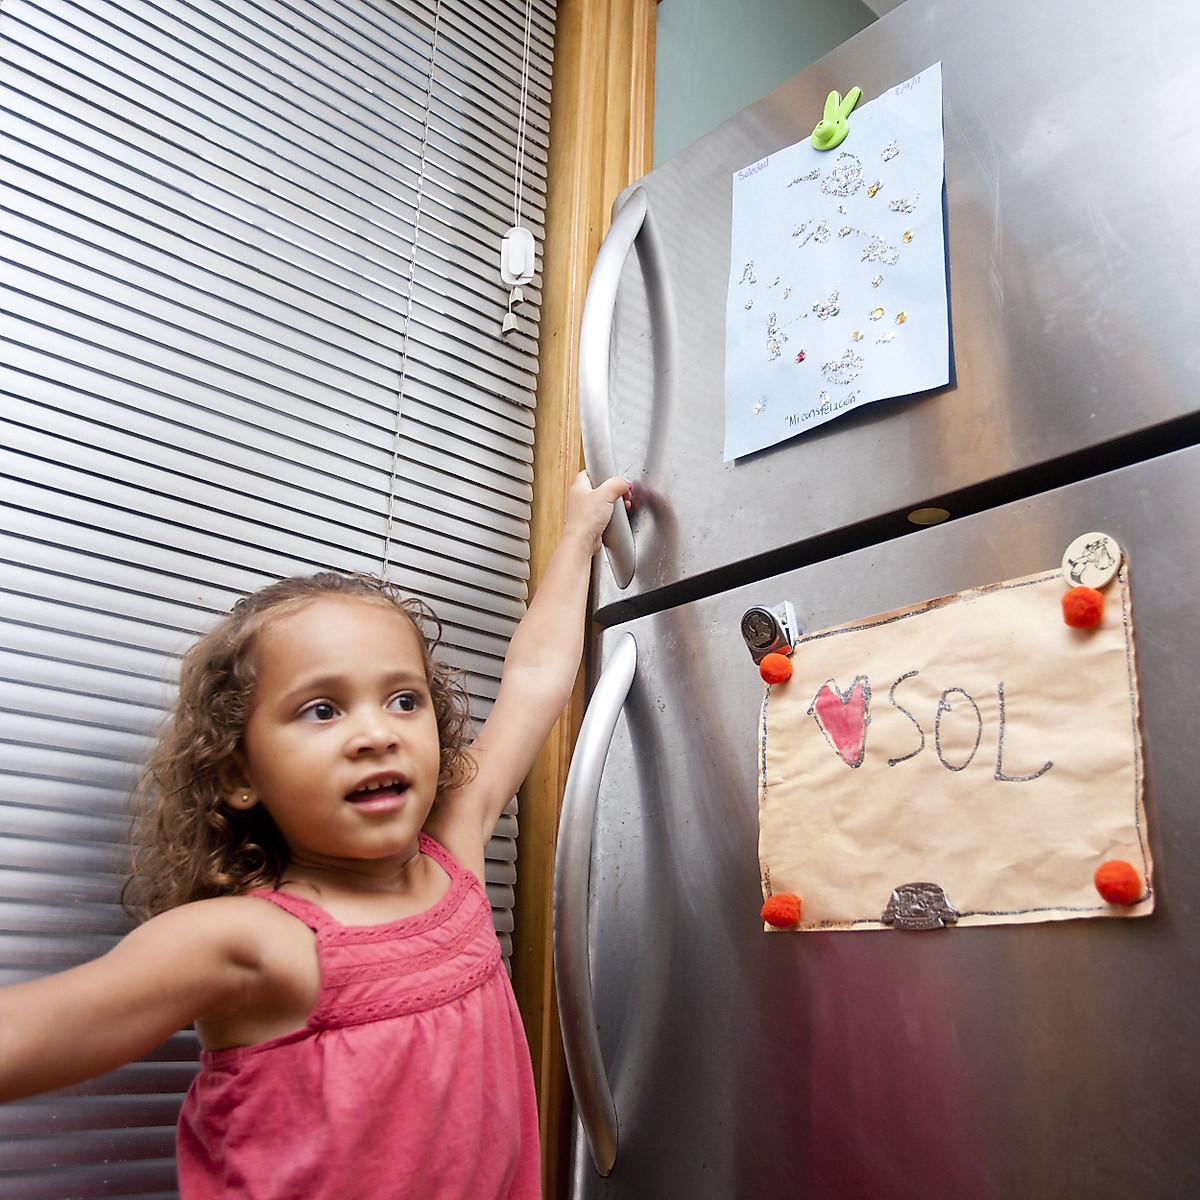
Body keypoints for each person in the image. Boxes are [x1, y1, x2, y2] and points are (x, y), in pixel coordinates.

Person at [0, 470, 631, 1200]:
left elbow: (535, 675)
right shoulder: (252, 943)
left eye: (404, 700)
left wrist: (579, 536)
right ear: (239, 771)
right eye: (322, 710)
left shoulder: (452, 851)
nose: (377, 734)